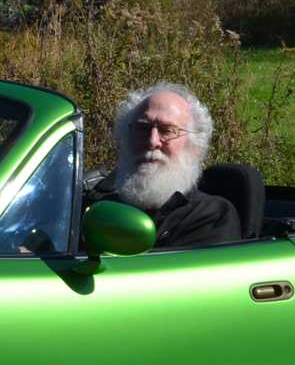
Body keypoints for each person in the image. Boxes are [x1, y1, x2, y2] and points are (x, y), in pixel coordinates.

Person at [95, 82, 241, 248]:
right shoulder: (99, 204)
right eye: (143, 128)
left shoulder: (212, 216)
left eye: (167, 130)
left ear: (194, 146)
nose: (152, 141)